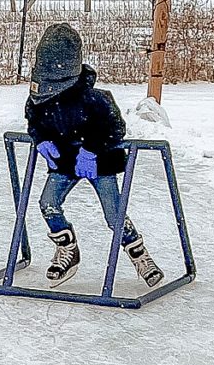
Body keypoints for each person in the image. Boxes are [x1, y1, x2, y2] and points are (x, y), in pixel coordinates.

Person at [24, 23, 163, 287]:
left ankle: (139, 255)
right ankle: (67, 249)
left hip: (100, 163)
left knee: (114, 215)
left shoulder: (95, 98)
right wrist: (41, 139)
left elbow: (115, 128)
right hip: (64, 161)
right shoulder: (40, 96)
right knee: (48, 203)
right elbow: (34, 120)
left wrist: (91, 150)